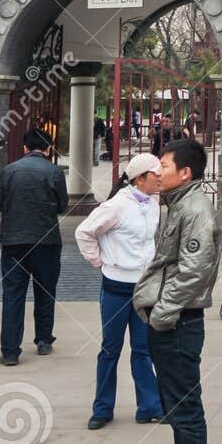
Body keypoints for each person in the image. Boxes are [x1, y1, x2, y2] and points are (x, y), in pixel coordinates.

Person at [134, 140, 220, 444]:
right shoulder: (177, 204)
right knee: (175, 405)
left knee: (185, 410)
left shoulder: (195, 208)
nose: (157, 172)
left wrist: (162, 313)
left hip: (178, 322)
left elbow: (194, 270)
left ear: (184, 173)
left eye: (164, 166)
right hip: (168, 318)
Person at [75, 152, 164, 429]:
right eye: (155, 175)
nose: (160, 179)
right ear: (139, 178)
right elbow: (84, 231)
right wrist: (99, 261)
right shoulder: (116, 206)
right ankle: (102, 408)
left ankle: (149, 406)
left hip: (143, 286)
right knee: (110, 349)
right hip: (116, 286)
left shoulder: (154, 204)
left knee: (143, 349)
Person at [0, 127, 69, 366]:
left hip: (13, 240)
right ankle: (44, 340)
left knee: (13, 294)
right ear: (48, 149)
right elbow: (62, 206)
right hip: (46, 241)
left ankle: (10, 351)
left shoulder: (8, 171)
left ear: (25, 148)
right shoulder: (54, 171)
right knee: (45, 291)